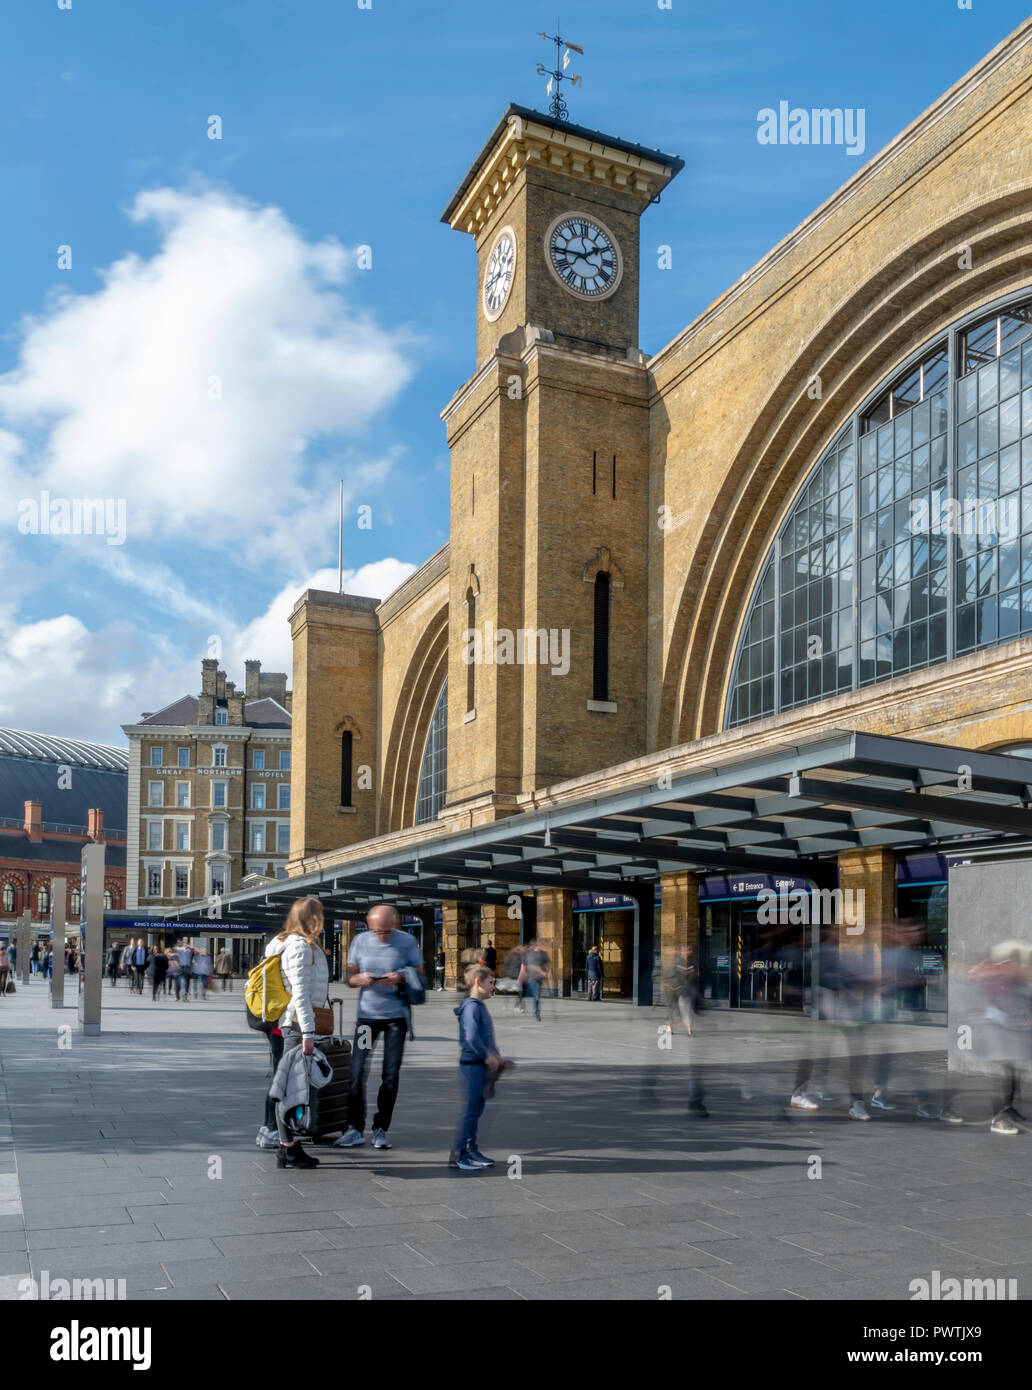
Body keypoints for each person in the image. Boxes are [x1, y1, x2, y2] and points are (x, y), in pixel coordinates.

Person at [336, 903, 424, 1151]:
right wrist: (358, 979)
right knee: (356, 1072)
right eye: (377, 930)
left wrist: (402, 976)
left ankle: (380, 1128)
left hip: (396, 1020)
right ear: (368, 924)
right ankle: (354, 1128)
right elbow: (349, 978)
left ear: (394, 923)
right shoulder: (360, 941)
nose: (381, 935)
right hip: (367, 1019)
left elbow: (420, 973)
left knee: (390, 1075)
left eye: (386, 931)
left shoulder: (407, 941)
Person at [264, 896, 329, 1169]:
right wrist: (309, 1032)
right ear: (312, 919)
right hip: (297, 1025)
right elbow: (300, 994)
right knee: (292, 1091)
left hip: (292, 1023)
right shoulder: (300, 947)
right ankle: (289, 1147)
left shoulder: (286, 943)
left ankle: (286, 1146)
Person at [449, 965, 503, 1170]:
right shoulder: (471, 1007)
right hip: (473, 1065)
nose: (493, 987)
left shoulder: (478, 1006)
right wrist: (488, 1055)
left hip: (481, 1066)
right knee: (470, 1111)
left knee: (476, 1110)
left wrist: (495, 1056)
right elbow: (471, 1037)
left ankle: (471, 1149)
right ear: (478, 983)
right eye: (491, 983)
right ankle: (460, 1154)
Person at [520, 939, 551, 1021]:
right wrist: (521, 977)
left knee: (536, 996)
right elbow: (529, 966)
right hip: (532, 978)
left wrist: (549, 972)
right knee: (536, 996)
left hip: (539, 978)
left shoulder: (542, 954)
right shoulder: (529, 954)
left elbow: (548, 963)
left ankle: (536, 1009)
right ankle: (536, 1011)